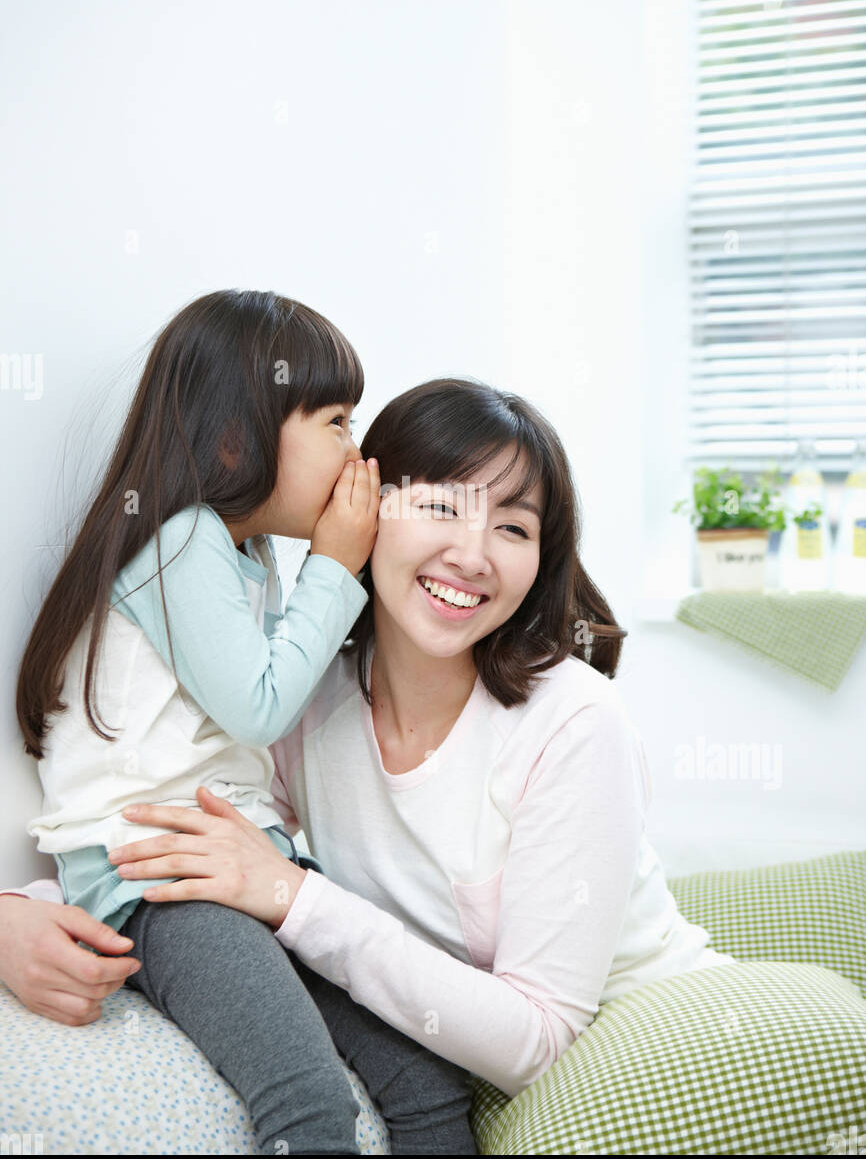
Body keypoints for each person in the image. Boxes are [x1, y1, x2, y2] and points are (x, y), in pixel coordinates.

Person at [1, 375, 735, 1114]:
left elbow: (536, 1045)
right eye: (441, 507)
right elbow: (186, 829)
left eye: (513, 528)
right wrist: (14, 913)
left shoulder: (576, 718)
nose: (474, 555)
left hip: (652, 1047)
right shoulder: (306, 700)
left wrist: (294, 895)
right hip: (459, 1068)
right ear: (365, 508)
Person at [2, 292, 480, 1156]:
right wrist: (336, 562)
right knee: (306, 1099)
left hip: (243, 867)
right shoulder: (179, 541)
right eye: (335, 420)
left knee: (431, 1085)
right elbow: (259, 703)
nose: (355, 449)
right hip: (163, 886)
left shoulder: (244, 554)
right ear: (235, 438)